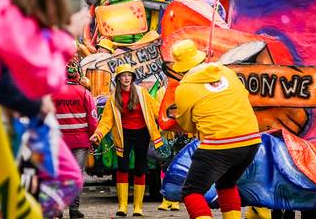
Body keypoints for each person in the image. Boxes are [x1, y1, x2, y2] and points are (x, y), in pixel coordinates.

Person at [168, 39, 262, 219]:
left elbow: (187, 126)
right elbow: (245, 96)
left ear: (181, 67)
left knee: (192, 191)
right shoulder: (226, 71)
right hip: (251, 140)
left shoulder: (184, 88)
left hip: (220, 145)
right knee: (227, 184)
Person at [93, 64, 163, 217]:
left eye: (129, 75)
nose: (126, 78)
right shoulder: (113, 98)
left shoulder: (142, 93)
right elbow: (106, 121)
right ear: (118, 79)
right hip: (123, 134)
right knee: (123, 168)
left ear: (132, 78)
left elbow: (156, 109)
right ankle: (123, 206)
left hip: (142, 133)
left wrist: (169, 121)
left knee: (140, 168)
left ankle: (138, 207)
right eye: (123, 76)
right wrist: (97, 135)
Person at [55, 63, 98, 219]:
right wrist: (95, 138)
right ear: (77, 76)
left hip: (60, 142)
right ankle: (74, 210)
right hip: (80, 142)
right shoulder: (85, 93)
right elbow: (93, 119)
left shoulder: (54, 93)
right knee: (76, 175)